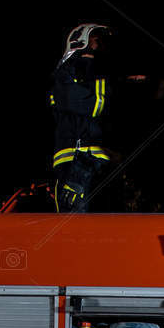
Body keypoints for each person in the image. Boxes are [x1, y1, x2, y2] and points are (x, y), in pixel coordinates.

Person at [50, 23, 116, 213]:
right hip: (77, 160)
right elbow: (96, 105)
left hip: (96, 161)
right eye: (96, 39)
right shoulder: (69, 71)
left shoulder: (92, 69)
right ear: (81, 41)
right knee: (76, 230)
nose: (101, 45)